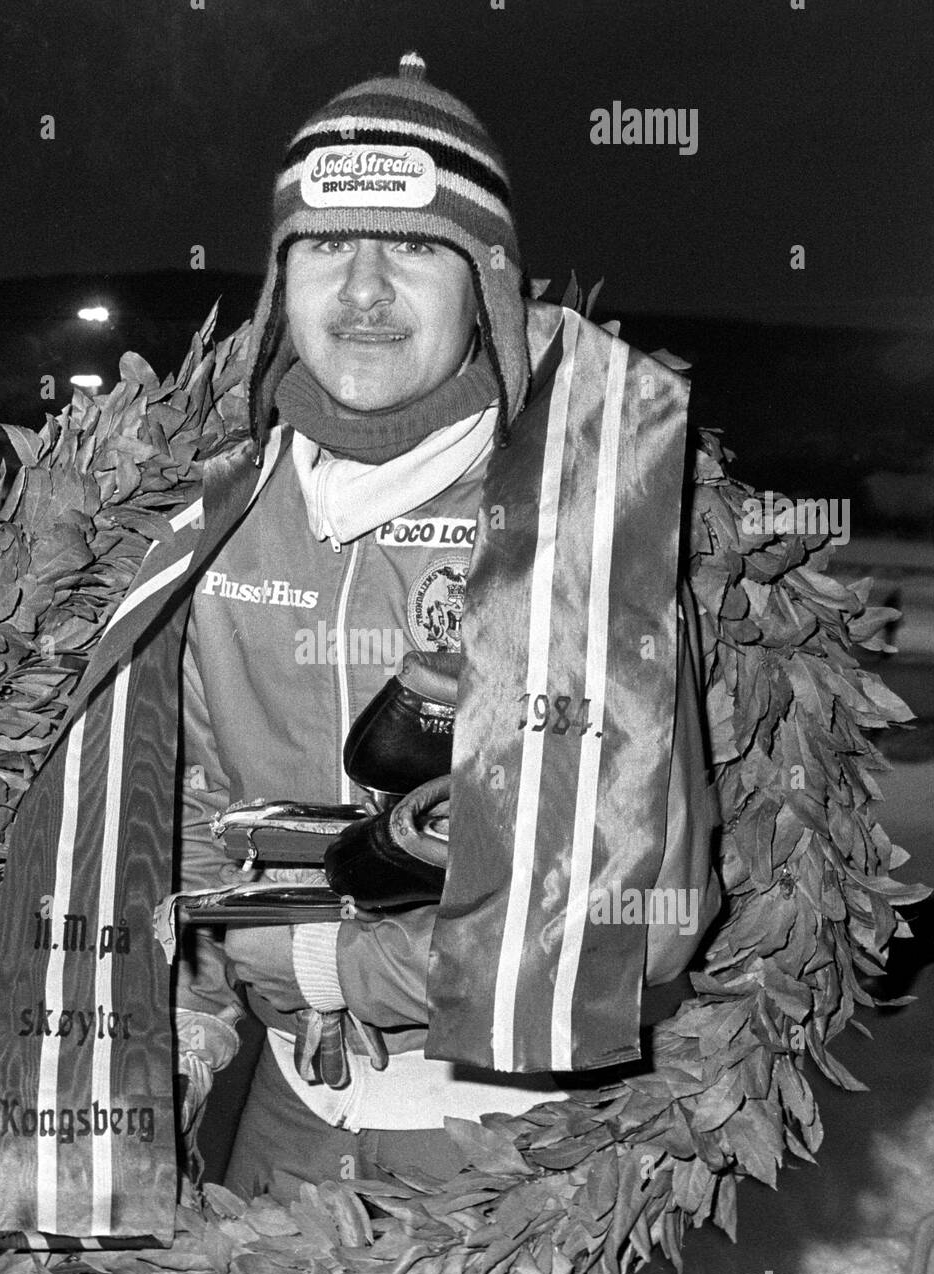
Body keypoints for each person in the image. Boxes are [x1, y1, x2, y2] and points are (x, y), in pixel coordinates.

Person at [173, 53, 721, 1200]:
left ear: (489, 284)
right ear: (281, 280)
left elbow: (635, 911)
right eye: (325, 246)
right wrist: (177, 1016)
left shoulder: (577, 515)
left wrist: (334, 962)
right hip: (280, 1129)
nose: (363, 292)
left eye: (415, 247)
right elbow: (180, 815)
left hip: (505, 1151)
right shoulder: (215, 510)